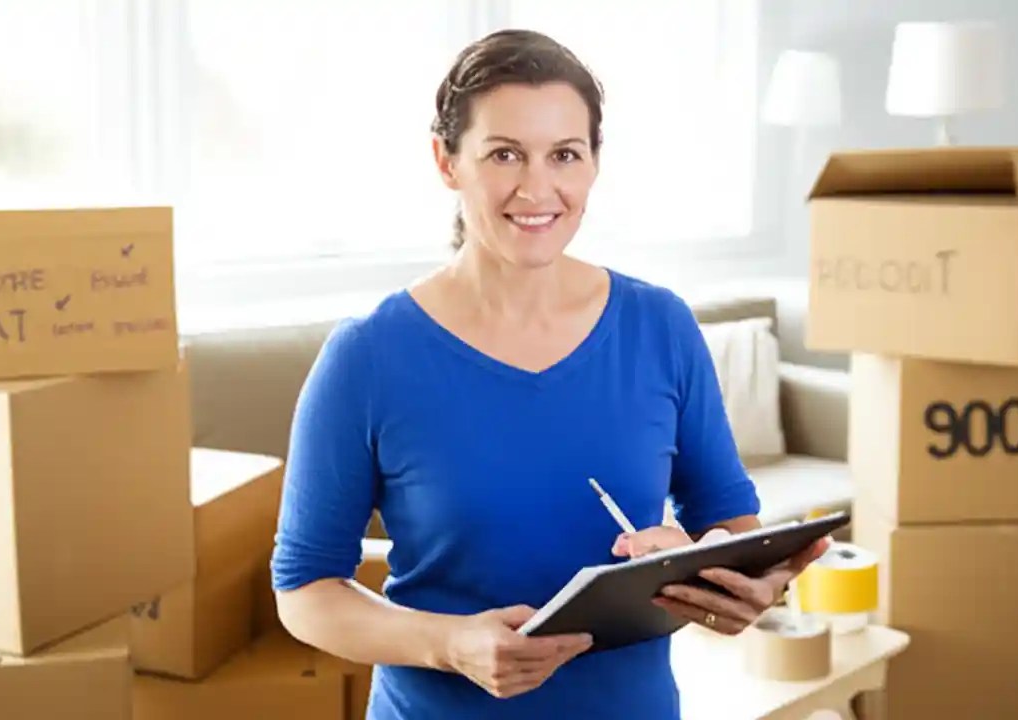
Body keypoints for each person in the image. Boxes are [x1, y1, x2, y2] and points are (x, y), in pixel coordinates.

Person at [271, 28, 828, 719]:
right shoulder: (367, 358)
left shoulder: (660, 327)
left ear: (595, 162)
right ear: (447, 161)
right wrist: (449, 644)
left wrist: (725, 572)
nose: (538, 189)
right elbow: (303, 590)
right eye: (505, 154)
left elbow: (727, 519)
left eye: (565, 154)